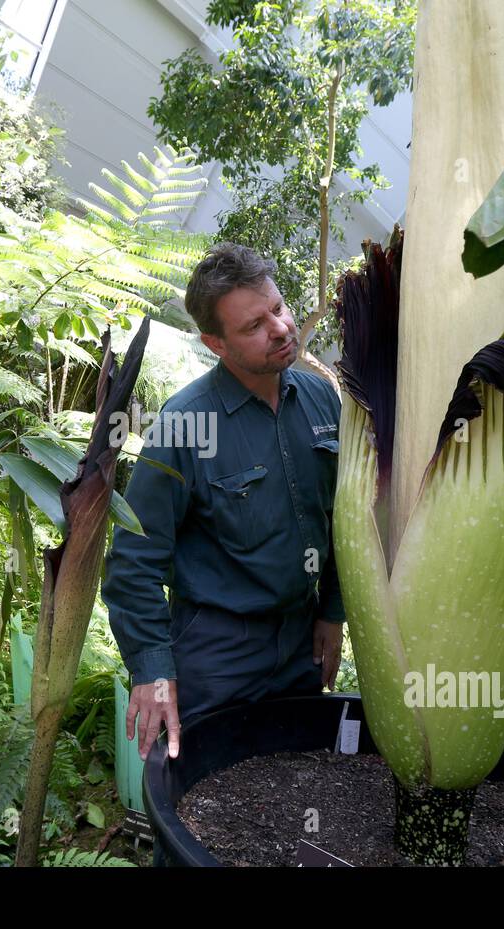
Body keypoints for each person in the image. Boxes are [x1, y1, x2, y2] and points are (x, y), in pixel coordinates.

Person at [102, 242, 346, 769]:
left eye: (279, 308)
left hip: (301, 646)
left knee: (297, 787)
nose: (280, 329)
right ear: (215, 343)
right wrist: (152, 669)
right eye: (253, 325)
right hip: (217, 654)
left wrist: (332, 611)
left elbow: (340, 520)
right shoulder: (186, 424)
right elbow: (133, 559)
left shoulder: (322, 400)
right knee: (202, 804)